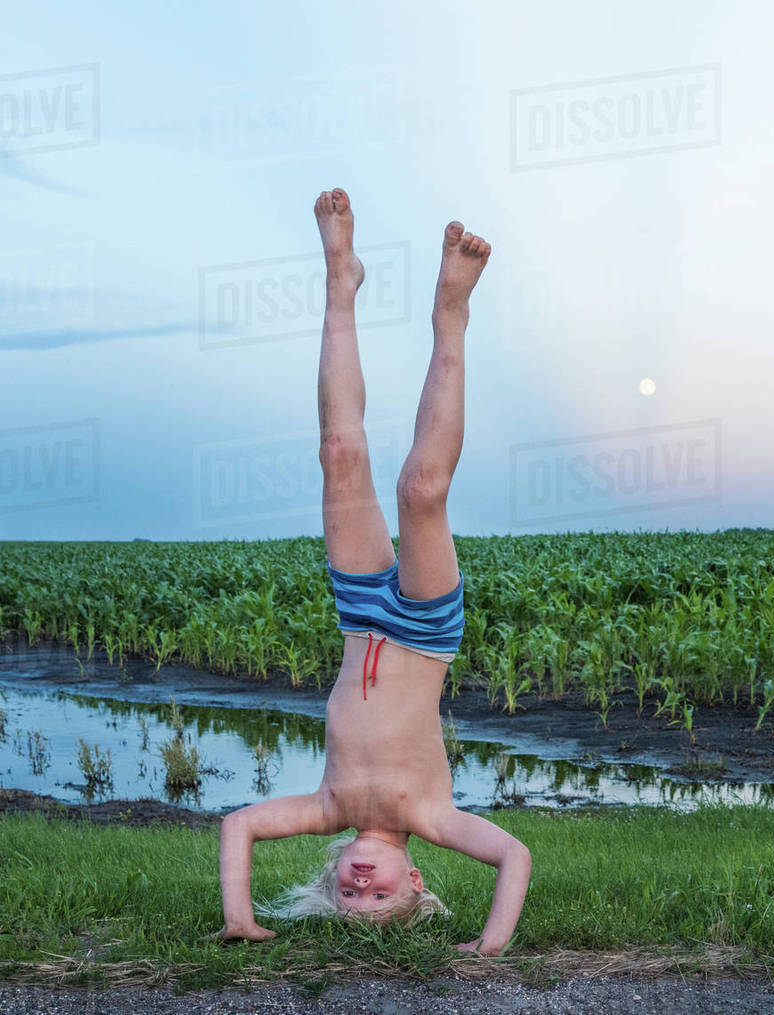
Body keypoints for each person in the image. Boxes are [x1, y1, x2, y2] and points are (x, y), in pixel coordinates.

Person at [212, 188, 530, 957]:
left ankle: (340, 278)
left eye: (347, 895)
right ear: (415, 878)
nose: (360, 882)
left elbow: (239, 824)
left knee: (338, 452)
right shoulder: (432, 817)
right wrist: (488, 947)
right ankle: (451, 313)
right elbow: (515, 856)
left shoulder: (327, 805)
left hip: (359, 614)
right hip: (423, 627)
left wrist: (239, 915)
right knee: (422, 490)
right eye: (380, 894)